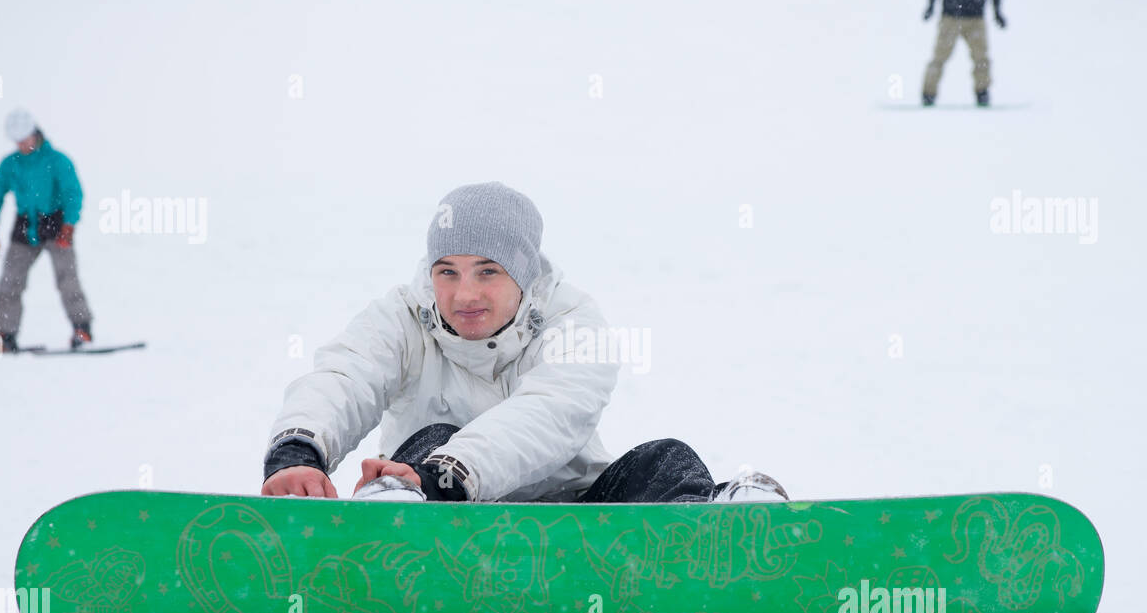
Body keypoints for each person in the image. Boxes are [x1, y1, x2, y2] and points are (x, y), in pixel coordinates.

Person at [261, 181, 788, 504]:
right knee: (433, 434)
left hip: (571, 518)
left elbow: (553, 412)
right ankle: (397, 513)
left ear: (522, 272)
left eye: (487, 271)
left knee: (664, 459)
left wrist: (448, 473)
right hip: (439, 511)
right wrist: (297, 455)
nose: (464, 293)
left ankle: (719, 527)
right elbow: (345, 375)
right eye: (447, 271)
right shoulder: (401, 315)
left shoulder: (574, 321)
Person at [0, 108, 94, 352]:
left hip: (57, 225)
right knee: (10, 283)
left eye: (25, 139)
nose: (22, 145)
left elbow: (73, 193)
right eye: (18, 141)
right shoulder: (10, 164)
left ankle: (81, 327)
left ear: (35, 134)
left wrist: (69, 225)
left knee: (67, 279)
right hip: (24, 226)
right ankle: (3, 334)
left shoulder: (57, 160)